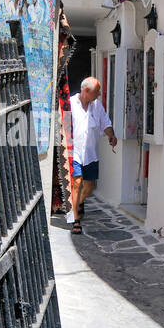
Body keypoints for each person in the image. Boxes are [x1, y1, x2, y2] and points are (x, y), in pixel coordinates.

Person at [69, 76, 116, 233]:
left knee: (89, 186)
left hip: (90, 154)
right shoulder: (70, 104)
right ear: (86, 91)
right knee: (76, 183)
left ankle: (78, 202)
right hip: (74, 152)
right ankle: (76, 220)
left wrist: (111, 135)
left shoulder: (97, 106)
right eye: (97, 91)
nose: (99, 94)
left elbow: (105, 123)